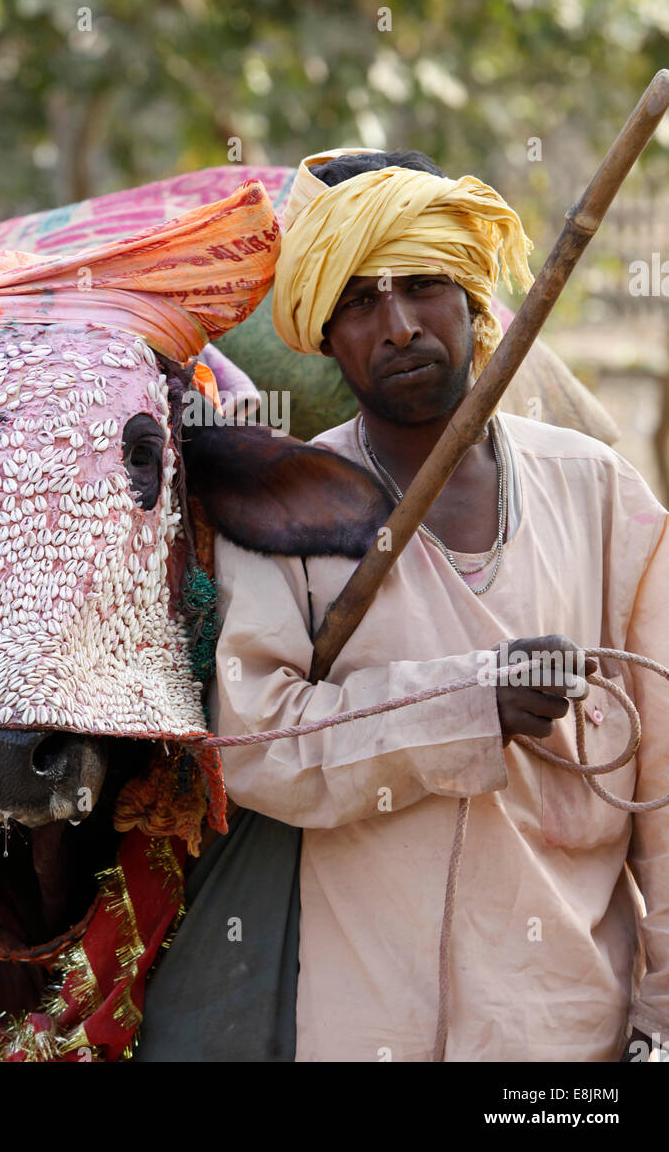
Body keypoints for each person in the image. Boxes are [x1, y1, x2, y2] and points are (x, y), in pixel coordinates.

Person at [212, 147, 669, 1062]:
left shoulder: (601, 494)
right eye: (358, 301)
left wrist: (660, 1019)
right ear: (322, 335)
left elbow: (665, 791)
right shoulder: (281, 502)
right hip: (361, 1031)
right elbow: (254, 747)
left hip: (568, 1038)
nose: (399, 327)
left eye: (422, 286)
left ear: (470, 298)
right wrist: (474, 703)